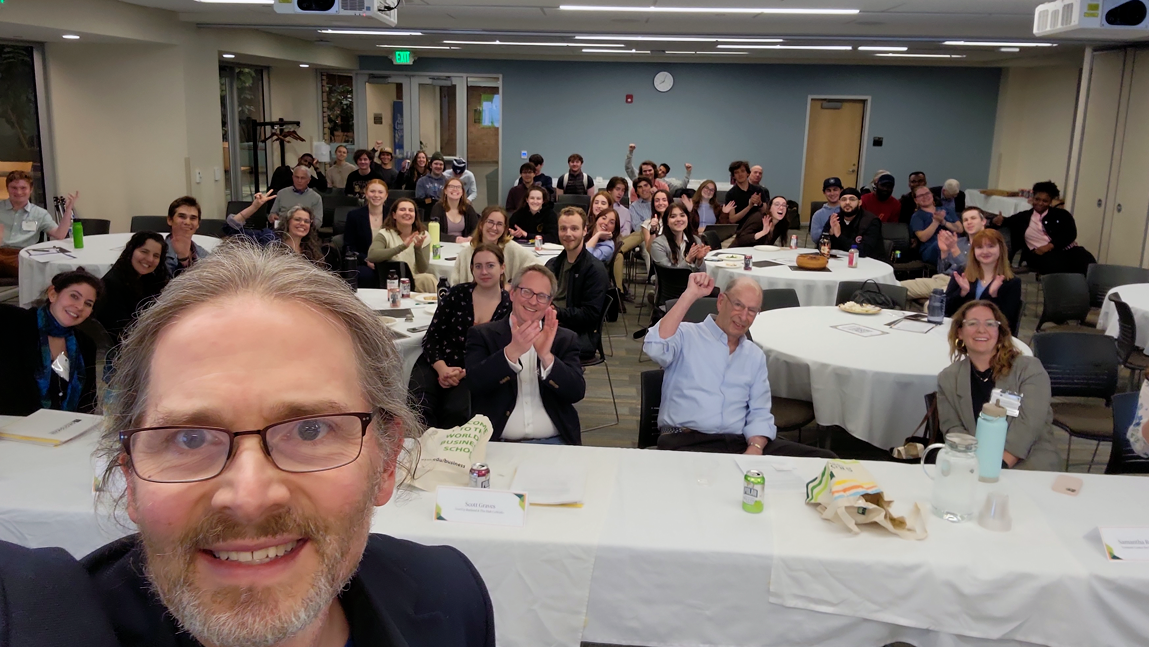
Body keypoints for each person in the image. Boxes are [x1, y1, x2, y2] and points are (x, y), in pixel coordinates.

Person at [86, 244, 495, 647]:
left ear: (386, 462)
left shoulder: (451, 600)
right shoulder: (52, 626)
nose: (249, 498)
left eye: (310, 431)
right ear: (129, 475)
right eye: (189, 439)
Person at [643, 273, 836, 457]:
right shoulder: (686, 335)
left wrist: (755, 447)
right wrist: (690, 295)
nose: (744, 316)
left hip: (737, 443)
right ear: (721, 302)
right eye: (738, 305)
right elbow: (655, 347)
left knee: (825, 460)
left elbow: (760, 413)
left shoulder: (754, 356)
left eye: (752, 310)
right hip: (685, 440)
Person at [465, 265, 585, 445]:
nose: (533, 301)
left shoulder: (564, 339)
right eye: (526, 292)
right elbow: (475, 383)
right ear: (512, 293)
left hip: (554, 440)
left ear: (549, 303)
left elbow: (576, 392)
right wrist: (511, 352)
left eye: (541, 296)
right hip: (499, 442)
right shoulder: (483, 335)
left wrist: (547, 357)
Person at [937, 300, 1062, 471]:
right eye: (972, 323)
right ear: (960, 332)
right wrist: (973, 463)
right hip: (973, 464)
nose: (982, 330)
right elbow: (953, 429)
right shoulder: (948, 378)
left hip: (1029, 463)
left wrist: (997, 466)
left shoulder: (1029, 369)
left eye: (990, 324)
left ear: (999, 331)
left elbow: (1029, 425)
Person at [411, 243, 512, 429]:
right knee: (419, 407)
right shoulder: (457, 294)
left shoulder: (509, 306)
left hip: (475, 370)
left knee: (457, 411)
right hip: (437, 362)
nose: (484, 271)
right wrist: (442, 369)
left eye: (490, 265)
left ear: (502, 267)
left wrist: (465, 372)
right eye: (478, 266)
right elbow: (431, 338)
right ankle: (420, 454)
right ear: (471, 269)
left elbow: (501, 352)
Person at [0, 269, 101, 415]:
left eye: (88, 303)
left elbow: (88, 402)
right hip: (12, 425)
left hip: (64, 428)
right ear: (53, 294)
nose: (79, 307)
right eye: (74, 296)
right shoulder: (13, 321)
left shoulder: (85, 345)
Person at [994, 181, 1096, 275]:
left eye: (1045, 201)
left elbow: (1070, 234)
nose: (1040, 203)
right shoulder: (1022, 217)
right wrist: (996, 221)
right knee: (1056, 266)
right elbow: (1003, 222)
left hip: (1066, 250)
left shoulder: (1062, 214)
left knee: (1087, 260)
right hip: (1040, 255)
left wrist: (1050, 246)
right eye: (1037, 199)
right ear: (1032, 198)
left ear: (1050, 202)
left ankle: (1091, 292)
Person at [545, 207, 608, 360]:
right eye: (563, 229)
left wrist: (554, 312)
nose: (568, 234)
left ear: (585, 230)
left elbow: (590, 315)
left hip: (578, 334)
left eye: (574, 228)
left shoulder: (595, 269)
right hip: (551, 324)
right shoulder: (552, 264)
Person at [96, 231, 168, 358]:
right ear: (131, 251)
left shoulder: (150, 277)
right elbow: (121, 331)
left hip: (146, 338)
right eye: (144, 252)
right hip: (122, 352)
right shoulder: (112, 284)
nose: (150, 259)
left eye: (156, 256)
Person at [902, 206, 986, 306]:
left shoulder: (989, 245)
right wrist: (944, 252)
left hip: (961, 285)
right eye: (965, 220)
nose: (969, 222)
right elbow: (942, 270)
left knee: (931, 306)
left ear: (983, 221)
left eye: (973, 218)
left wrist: (954, 249)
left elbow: (972, 272)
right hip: (941, 279)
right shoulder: (959, 242)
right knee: (896, 289)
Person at [0, 171, 76, 278]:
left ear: (30, 190)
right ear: (7, 188)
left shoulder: (40, 214)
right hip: (1, 253)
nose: (18, 192)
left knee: (38, 269)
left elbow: (60, 235)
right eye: (14, 188)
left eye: (23, 188)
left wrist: (68, 210)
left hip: (22, 255)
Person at [944, 229, 1022, 329]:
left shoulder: (1012, 282)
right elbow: (946, 311)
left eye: (991, 246)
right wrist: (962, 293)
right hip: (960, 331)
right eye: (979, 247)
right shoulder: (962, 273)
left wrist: (994, 296)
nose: (985, 251)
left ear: (1001, 249)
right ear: (974, 251)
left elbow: (1007, 323)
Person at [449, 206, 541, 285]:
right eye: (490, 222)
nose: (494, 228)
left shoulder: (511, 248)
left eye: (499, 224)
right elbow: (454, 283)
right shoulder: (466, 253)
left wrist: (512, 286)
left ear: (505, 228)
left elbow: (538, 267)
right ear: (481, 225)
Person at [367, 198, 436, 293]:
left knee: (427, 278)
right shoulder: (385, 234)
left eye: (411, 210)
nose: (407, 213)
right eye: (402, 210)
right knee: (428, 279)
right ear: (394, 215)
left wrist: (417, 248)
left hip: (414, 279)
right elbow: (372, 255)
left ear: (415, 216)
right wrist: (402, 247)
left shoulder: (423, 235)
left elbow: (422, 269)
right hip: (393, 281)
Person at [343, 178, 389, 288]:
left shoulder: (393, 215)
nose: (376, 195)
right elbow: (348, 246)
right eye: (372, 191)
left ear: (386, 196)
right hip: (364, 262)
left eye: (380, 192)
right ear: (366, 194)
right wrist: (366, 259)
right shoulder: (354, 216)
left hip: (389, 260)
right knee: (365, 275)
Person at [910, 183, 962, 265]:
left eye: (927, 193)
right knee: (943, 244)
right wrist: (936, 221)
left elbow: (960, 229)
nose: (925, 196)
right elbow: (923, 237)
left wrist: (943, 222)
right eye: (921, 195)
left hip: (955, 243)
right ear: (916, 200)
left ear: (932, 195)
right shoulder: (917, 216)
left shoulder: (947, 210)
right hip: (931, 249)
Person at [826, 188, 883, 258]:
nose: (847, 202)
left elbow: (864, 251)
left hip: (870, 264)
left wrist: (839, 236)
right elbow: (821, 246)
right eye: (843, 199)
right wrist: (830, 234)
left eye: (852, 199)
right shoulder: (835, 219)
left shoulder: (871, 221)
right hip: (842, 261)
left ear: (860, 202)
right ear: (839, 202)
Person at [652, 202, 709, 271]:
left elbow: (702, 273)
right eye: (673, 216)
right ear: (666, 222)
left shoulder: (696, 240)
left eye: (682, 215)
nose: (679, 219)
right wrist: (687, 260)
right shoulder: (658, 244)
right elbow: (667, 274)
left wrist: (699, 260)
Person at [165, 195, 210, 277]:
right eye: (182, 216)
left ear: (198, 224)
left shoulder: (205, 255)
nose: (187, 222)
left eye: (193, 218)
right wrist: (183, 260)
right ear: (170, 220)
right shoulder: (158, 253)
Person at [429, 177, 479, 243]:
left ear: (462, 192)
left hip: (464, 245)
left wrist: (471, 237)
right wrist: (455, 239)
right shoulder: (438, 207)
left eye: (458, 187)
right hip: (443, 245)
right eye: (451, 186)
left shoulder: (468, 208)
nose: (455, 189)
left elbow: (476, 229)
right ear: (445, 191)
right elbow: (434, 232)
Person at [724, 160, 769, 229]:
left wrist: (760, 203)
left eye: (742, 171)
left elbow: (765, 211)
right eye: (736, 172)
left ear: (748, 173)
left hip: (758, 228)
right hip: (740, 230)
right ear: (733, 176)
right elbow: (732, 219)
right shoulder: (731, 194)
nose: (740, 174)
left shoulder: (758, 190)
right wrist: (749, 206)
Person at [618, 176, 653, 256]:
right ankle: (651, 269)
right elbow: (637, 227)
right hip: (644, 237)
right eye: (640, 187)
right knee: (647, 250)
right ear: (636, 191)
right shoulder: (634, 207)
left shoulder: (659, 202)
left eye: (646, 185)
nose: (643, 189)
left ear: (651, 187)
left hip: (663, 236)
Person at [584, 195, 620, 263]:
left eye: (611, 222)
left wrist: (598, 235)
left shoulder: (608, 246)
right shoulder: (587, 230)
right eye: (603, 218)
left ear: (614, 229)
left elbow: (586, 259)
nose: (606, 223)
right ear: (597, 220)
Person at [810, 177, 842, 241]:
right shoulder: (818, 215)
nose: (832, 193)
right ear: (824, 193)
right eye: (828, 190)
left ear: (841, 190)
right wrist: (828, 232)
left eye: (835, 190)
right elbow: (815, 238)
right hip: (825, 247)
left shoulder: (848, 211)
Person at [643, 189, 671, 254]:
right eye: (657, 201)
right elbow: (649, 250)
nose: (660, 203)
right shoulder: (647, 223)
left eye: (664, 200)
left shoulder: (676, 220)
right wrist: (653, 230)